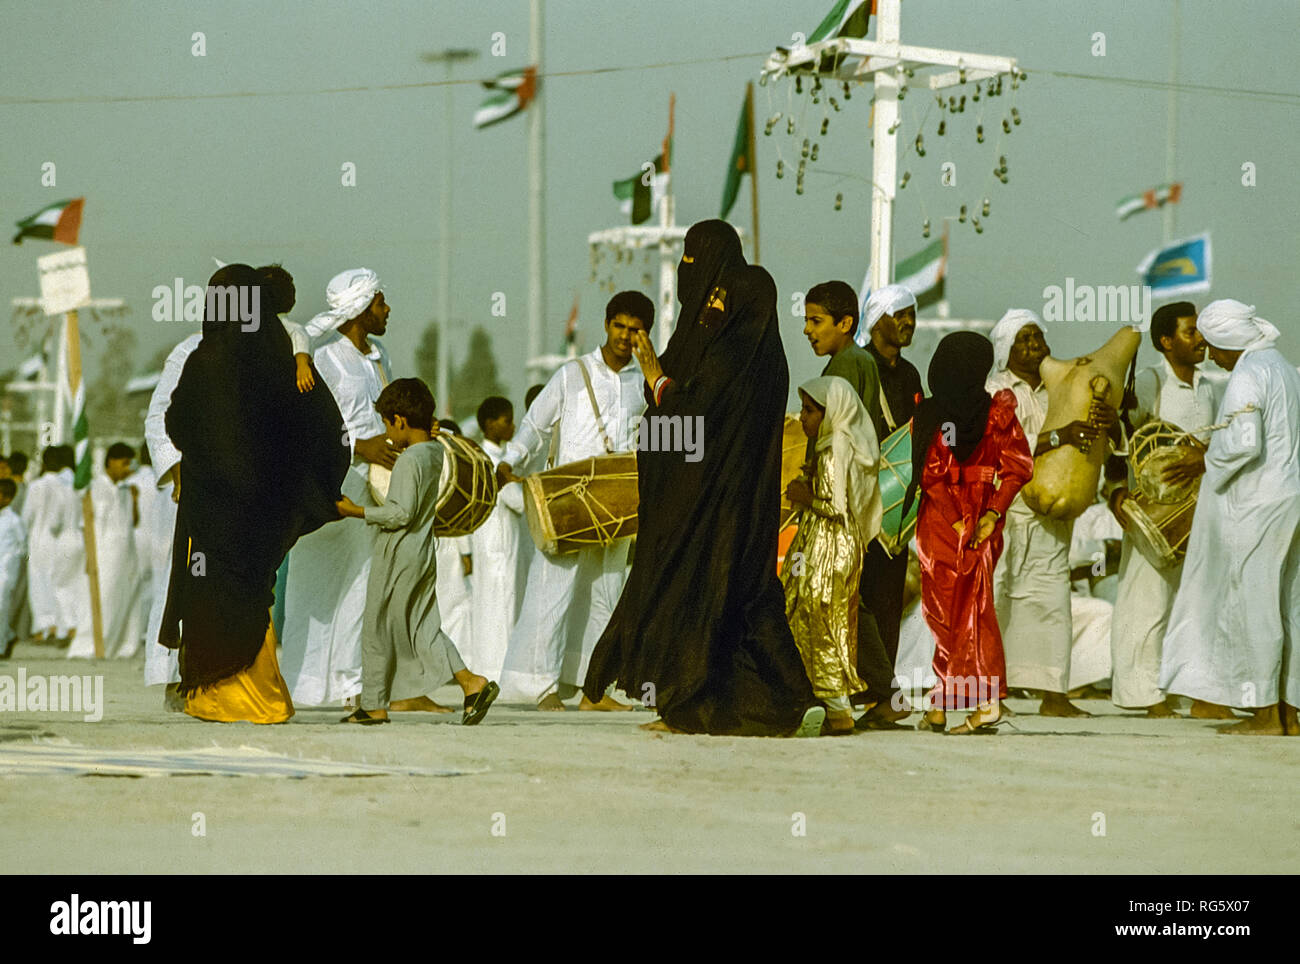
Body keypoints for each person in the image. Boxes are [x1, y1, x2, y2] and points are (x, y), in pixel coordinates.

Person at [583, 219, 823, 737]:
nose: (711, 304)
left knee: (710, 594)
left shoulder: (744, 354)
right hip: (730, 507)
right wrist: (665, 388)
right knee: (750, 599)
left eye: (719, 295)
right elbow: (679, 419)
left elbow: (695, 412)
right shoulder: (724, 345)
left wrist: (657, 382)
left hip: (710, 510)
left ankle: (699, 706)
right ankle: (795, 702)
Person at [160, 263, 349, 723]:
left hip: (212, 507)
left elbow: (177, 422)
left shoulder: (204, 360)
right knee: (251, 591)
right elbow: (326, 426)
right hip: (264, 511)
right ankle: (261, 694)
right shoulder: (282, 356)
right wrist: (294, 485)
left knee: (212, 592)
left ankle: (220, 695)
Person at [494, 291, 652, 711]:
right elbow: (534, 425)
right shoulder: (573, 373)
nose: (625, 335)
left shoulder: (644, 385)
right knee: (553, 591)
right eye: (619, 326)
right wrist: (509, 462)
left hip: (618, 502)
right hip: (569, 498)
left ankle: (594, 689)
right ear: (605, 325)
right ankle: (537, 686)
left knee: (607, 593)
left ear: (645, 335)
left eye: (634, 329)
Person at [1159, 299, 1300, 735]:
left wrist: (1204, 458)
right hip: (1289, 499)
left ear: (1228, 342)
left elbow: (1242, 444)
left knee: (1253, 604)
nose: (1210, 353)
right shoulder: (1283, 368)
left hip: (1257, 506)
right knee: (1288, 604)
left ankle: (1263, 714)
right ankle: (1289, 711)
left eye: (1213, 345)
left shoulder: (1248, 374)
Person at [336, 379, 499, 725]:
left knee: (378, 627)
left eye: (386, 424)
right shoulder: (435, 451)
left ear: (400, 420)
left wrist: (354, 511)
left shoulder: (410, 459)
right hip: (422, 551)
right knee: (424, 627)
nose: (386, 433)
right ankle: (471, 683)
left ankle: (376, 705)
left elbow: (400, 513)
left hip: (398, 553)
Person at [986, 309, 1116, 717]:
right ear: (1007, 350)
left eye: (1039, 336)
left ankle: (1054, 695)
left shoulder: (1060, 390)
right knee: (998, 595)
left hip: (1050, 514)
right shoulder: (994, 390)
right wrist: (1060, 436)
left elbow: (1090, 446)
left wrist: (1104, 423)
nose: (1036, 345)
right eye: (1025, 339)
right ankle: (991, 694)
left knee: (1051, 598)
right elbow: (1000, 445)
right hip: (1005, 509)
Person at [281, 268, 396, 708]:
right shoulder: (324, 358)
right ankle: (302, 684)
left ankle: (351, 684)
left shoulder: (379, 354)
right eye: (381, 303)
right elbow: (306, 425)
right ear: (362, 308)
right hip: (329, 486)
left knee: (362, 586)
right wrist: (358, 447)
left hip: (374, 490)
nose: (387, 310)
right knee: (311, 585)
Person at [910, 332, 1034, 734]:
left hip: (944, 523)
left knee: (945, 612)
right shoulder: (997, 414)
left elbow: (931, 474)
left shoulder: (935, 415)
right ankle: (947, 703)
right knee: (974, 608)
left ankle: (981, 702)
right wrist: (992, 514)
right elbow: (1018, 468)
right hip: (982, 519)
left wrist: (960, 520)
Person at [808, 281, 914, 727]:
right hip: (855, 503)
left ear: (846, 323)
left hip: (840, 505)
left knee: (840, 599)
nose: (808, 331)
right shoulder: (855, 363)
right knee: (848, 600)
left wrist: (812, 490)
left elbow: (841, 441)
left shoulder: (847, 367)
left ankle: (871, 694)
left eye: (816, 321)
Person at [1107, 302, 1221, 718]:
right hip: (1150, 513)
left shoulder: (1210, 386)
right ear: (1166, 342)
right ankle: (1142, 694)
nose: (1201, 340)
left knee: (1192, 603)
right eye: (1191, 332)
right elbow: (1119, 438)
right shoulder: (1149, 382)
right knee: (1145, 599)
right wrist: (1115, 490)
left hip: (1196, 513)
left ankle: (1188, 692)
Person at [781, 376, 882, 734]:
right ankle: (823, 703)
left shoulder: (836, 447)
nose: (803, 418)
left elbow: (837, 508)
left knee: (822, 618)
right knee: (815, 615)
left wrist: (804, 496)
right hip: (826, 543)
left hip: (831, 546)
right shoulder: (832, 445)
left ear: (831, 412)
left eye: (810, 410)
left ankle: (837, 709)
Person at [143, 331, 202, 707]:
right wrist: (177, 471)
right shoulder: (190, 349)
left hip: (242, 488)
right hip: (193, 484)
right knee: (183, 577)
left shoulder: (274, 348)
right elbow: (158, 417)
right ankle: (175, 680)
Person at [67, 443, 146, 659]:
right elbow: (87, 526)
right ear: (110, 461)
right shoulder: (96, 489)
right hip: (105, 556)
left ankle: (121, 647)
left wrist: (135, 501)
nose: (128, 468)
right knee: (104, 600)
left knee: (127, 600)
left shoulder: (126, 490)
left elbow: (133, 522)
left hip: (126, 555)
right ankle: (89, 647)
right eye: (124, 463)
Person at [466, 396, 526, 681]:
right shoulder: (494, 461)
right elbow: (518, 501)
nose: (512, 426)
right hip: (499, 543)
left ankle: (488, 670)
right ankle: (500, 673)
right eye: (507, 420)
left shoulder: (479, 455)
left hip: (490, 541)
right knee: (502, 607)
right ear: (490, 424)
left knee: (490, 605)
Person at [19, 448, 65, 642]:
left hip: (38, 540)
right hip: (59, 541)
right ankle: (58, 627)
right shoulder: (66, 485)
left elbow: (26, 516)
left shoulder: (36, 485)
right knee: (56, 584)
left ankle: (42, 629)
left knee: (39, 585)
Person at [0, 479, 27, 659]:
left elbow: (23, 547)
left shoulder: (14, 520)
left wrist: (11, 559)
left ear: (8, 499)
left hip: (6, 570)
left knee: (1, 606)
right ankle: (9, 635)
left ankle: (1, 647)